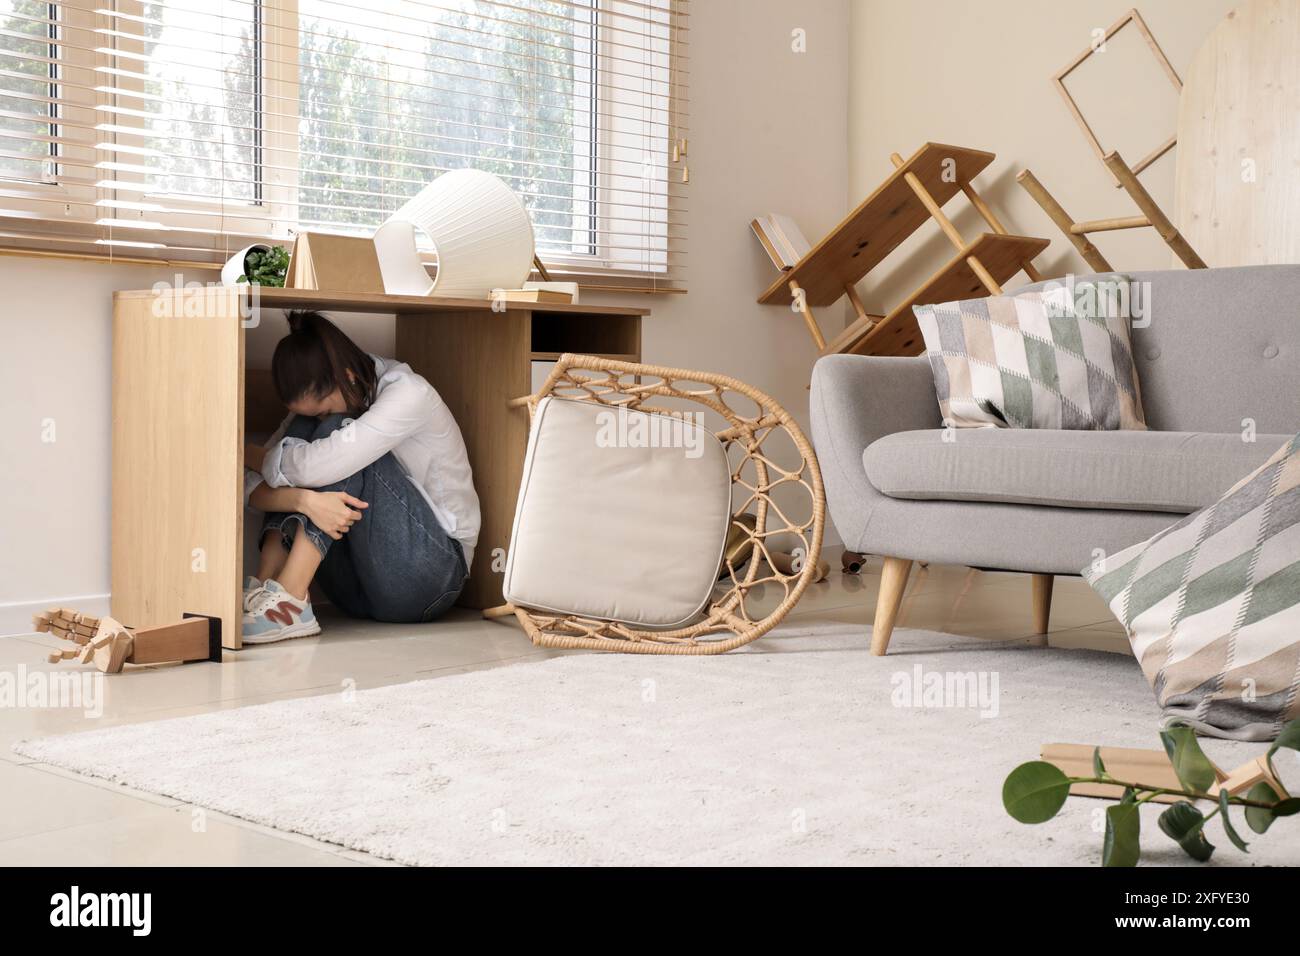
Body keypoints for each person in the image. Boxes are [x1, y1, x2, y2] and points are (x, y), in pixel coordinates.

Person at [241, 311, 478, 643]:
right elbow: (251, 488)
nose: (317, 417)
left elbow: (293, 468)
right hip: (356, 590)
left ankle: (292, 597)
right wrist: (305, 501)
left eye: (322, 407)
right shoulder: (315, 412)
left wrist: (253, 454)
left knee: (337, 435)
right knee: (307, 436)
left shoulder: (408, 394)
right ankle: (266, 585)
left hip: (430, 580)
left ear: (349, 376)